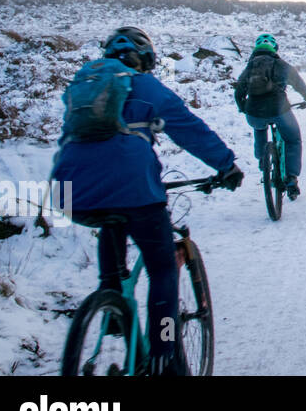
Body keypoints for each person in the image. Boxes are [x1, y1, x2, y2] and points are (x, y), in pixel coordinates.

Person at [51, 26, 243, 376]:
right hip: (134, 187)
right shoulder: (147, 86)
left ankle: (111, 301)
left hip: (68, 191)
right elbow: (189, 129)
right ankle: (164, 351)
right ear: (147, 59)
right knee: (163, 268)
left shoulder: (82, 83)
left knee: (110, 222)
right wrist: (226, 164)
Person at [235, 33, 306, 198]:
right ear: (274, 48)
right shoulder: (279, 64)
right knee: (293, 139)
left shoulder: (250, 66)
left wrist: (243, 107)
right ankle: (292, 178)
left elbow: (239, 91)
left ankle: (263, 162)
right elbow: (297, 81)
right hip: (279, 110)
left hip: (254, 112)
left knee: (259, 129)